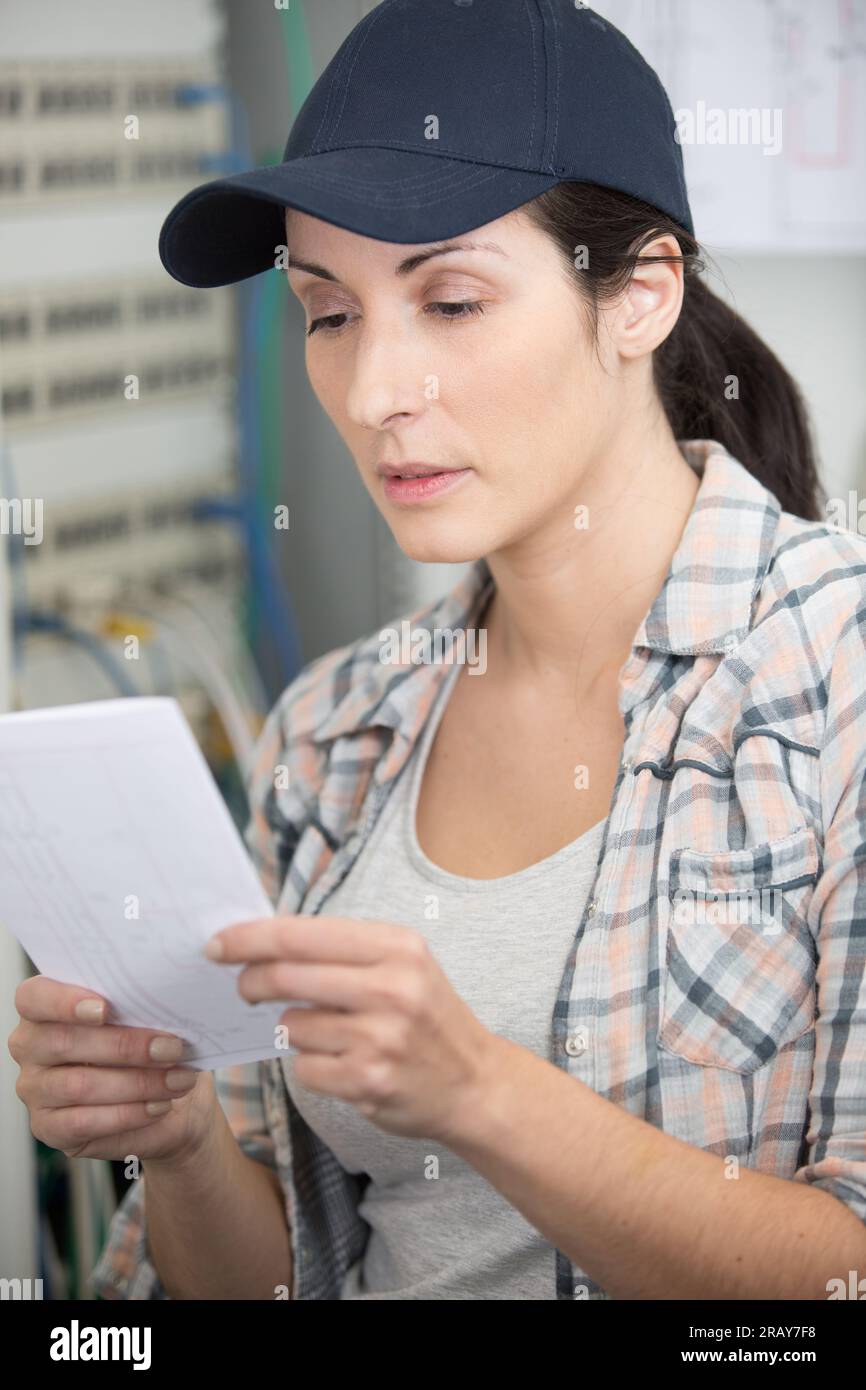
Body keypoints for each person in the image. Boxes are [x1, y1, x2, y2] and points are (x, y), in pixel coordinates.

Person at [10, 0, 866, 1300]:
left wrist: (481, 1093)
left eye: (451, 300)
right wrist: (177, 1136)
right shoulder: (334, 730)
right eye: (329, 312)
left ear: (639, 294)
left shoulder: (834, 682)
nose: (371, 392)